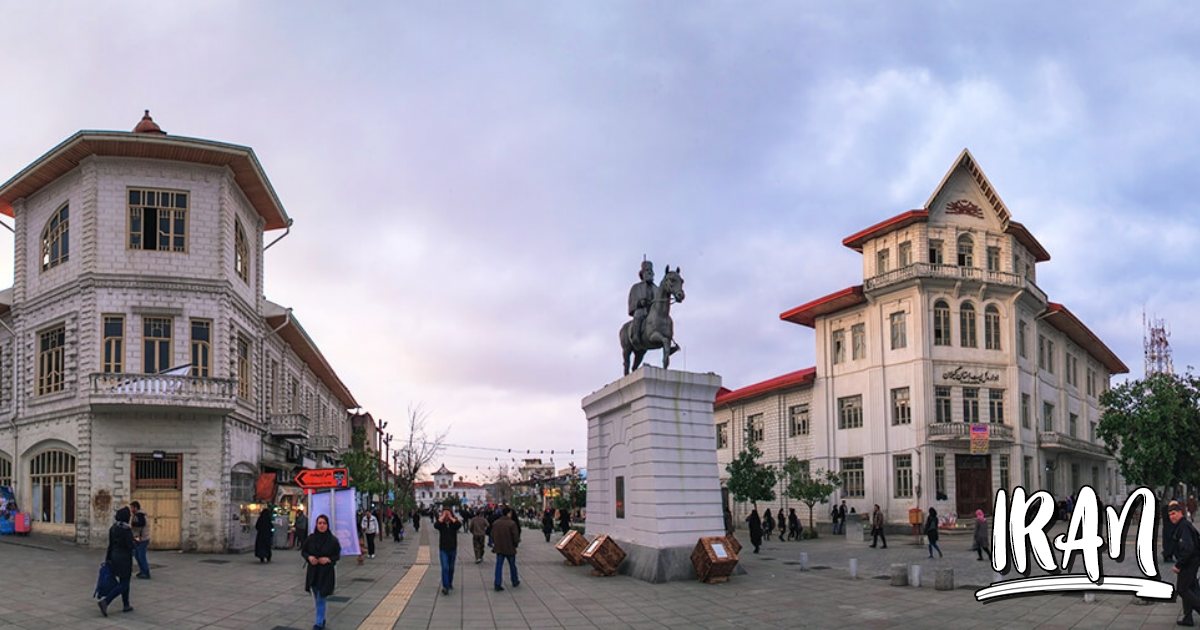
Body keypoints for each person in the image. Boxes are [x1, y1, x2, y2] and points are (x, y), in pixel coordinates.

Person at [301, 514, 341, 630]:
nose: (322, 525)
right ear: (316, 525)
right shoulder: (311, 538)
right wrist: (309, 558)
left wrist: (328, 559)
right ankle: (321, 618)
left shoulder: (333, 540)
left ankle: (318, 623)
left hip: (326, 573)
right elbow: (304, 551)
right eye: (320, 523)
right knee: (317, 598)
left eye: (324, 523)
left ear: (327, 525)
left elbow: (337, 555)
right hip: (313, 573)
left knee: (321, 597)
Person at [98, 507, 135, 617]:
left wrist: (107, 558)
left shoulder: (113, 528)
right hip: (124, 558)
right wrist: (135, 544)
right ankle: (106, 601)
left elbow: (110, 545)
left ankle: (126, 604)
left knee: (124, 581)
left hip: (114, 556)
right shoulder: (126, 530)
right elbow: (129, 546)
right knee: (124, 582)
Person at [1169, 501, 1200, 626]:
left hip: (1189, 563)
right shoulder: (1183, 525)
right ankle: (1188, 618)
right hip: (1192, 561)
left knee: (1182, 589)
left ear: (1180, 513)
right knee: (1190, 588)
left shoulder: (1184, 526)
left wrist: (1178, 565)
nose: (1172, 517)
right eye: (1170, 514)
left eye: (1174, 513)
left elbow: (1188, 549)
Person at [627, 260, 657, 347]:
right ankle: (636, 336)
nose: (650, 272)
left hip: (653, 311)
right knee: (638, 314)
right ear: (642, 274)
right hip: (642, 310)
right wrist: (639, 303)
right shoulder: (636, 287)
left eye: (651, 271)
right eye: (647, 271)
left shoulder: (656, 288)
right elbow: (631, 302)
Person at [491, 507, 521, 592]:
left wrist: (495, 543)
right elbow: (515, 537)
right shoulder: (512, 523)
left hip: (499, 548)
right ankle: (514, 581)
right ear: (508, 513)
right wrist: (516, 544)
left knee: (498, 566)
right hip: (510, 548)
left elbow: (492, 535)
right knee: (512, 565)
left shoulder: (496, 523)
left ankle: (497, 583)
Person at [433, 508, 462, 595]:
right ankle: (445, 586)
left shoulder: (454, 523)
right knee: (445, 567)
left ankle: (449, 583)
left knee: (451, 568)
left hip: (453, 549)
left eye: (448, 514)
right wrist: (442, 517)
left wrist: (451, 517)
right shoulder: (441, 524)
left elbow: (459, 525)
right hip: (443, 549)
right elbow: (436, 525)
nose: (446, 516)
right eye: (444, 514)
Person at [130, 500, 151, 579]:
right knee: (137, 555)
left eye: (132, 507)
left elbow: (140, 525)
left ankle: (145, 572)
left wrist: (132, 526)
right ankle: (142, 571)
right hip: (141, 538)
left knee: (141, 556)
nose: (131, 509)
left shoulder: (139, 515)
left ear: (135, 507)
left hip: (142, 539)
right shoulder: (138, 515)